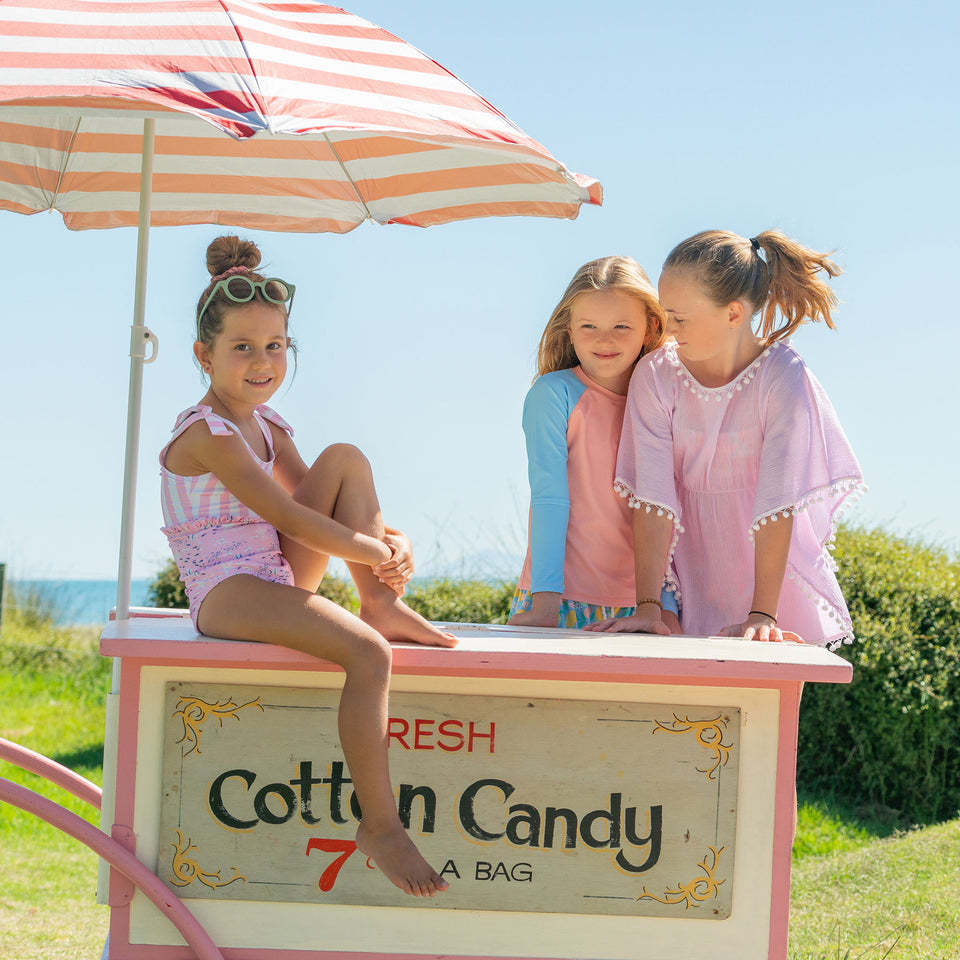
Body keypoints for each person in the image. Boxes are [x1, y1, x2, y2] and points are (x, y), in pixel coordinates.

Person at [159, 235, 454, 897]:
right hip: (227, 589)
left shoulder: (270, 425)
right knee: (369, 656)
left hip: (276, 572)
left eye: (275, 346)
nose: (262, 361)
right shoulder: (207, 433)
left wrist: (392, 538)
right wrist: (373, 552)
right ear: (204, 355)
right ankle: (380, 825)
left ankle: (380, 601)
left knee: (345, 456)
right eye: (242, 347)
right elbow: (291, 518)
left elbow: (320, 502)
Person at [590, 230, 864, 647]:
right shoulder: (656, 376)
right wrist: (648, 606)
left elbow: (778, 504)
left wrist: (762, 615)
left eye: (680, 318)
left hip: (770, 583)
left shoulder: (782, 376)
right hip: (688, 573)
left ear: (733, 313)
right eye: (666, 313)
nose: (669, 329)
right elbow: (652, 498)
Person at [508, 256, 680, 632]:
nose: (605, 339)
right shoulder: (553, 394)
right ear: (569, 329)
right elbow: (549, 499)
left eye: (621, 326)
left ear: (651, 327)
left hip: (647, 606)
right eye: (589, 326)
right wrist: (546, 603)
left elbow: (668, 507)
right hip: (562, 600)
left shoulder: (665, 397)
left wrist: (664, 604)